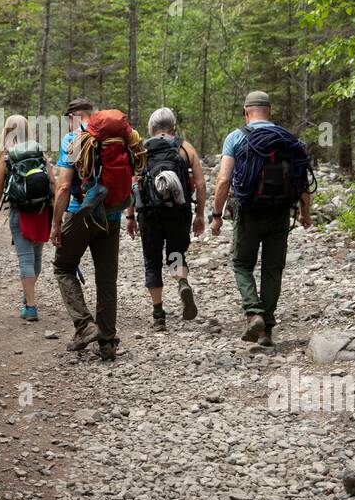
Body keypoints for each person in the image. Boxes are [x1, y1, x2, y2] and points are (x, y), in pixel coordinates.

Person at [209, 90, 312, 345]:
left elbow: (223, 179)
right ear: (270, 111)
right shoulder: (288, 139)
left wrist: (216, 215)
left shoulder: (236, 137)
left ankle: (253, 312)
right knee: (272, 268)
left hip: (249, 210)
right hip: (280, 212)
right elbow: (302, 182)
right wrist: (306, 214)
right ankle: (266, 328)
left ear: (246, 111)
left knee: (242, 264)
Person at [50, 98, 136, 362]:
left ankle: (85, 325)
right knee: (106, 279)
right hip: (112, 216)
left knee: (63, 267)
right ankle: (107, 343)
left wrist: (56, 224)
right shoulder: (119, 138)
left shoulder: (73, 139)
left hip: (82, 214)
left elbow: (64, 187)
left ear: (74, 116)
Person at [126, 107, 206, 331]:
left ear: (151, 128)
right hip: (178, 210)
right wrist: (200, 214)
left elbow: (133, 184)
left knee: (152, 262)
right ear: (173, 127)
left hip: (149, 214)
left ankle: (159, 315)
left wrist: (130, 216)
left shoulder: (141, 149)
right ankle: (181, 281)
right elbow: (200, 184)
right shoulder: (184, 147)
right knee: (175, 253)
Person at [0, 114, 53, 321]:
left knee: (25, 258)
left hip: (20, 212)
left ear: (6, 132)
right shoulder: (39, 151)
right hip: (42, 212)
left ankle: (31, 306)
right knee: (36, 258)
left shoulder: (6, 156)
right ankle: (28, 299)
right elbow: (52, 181)